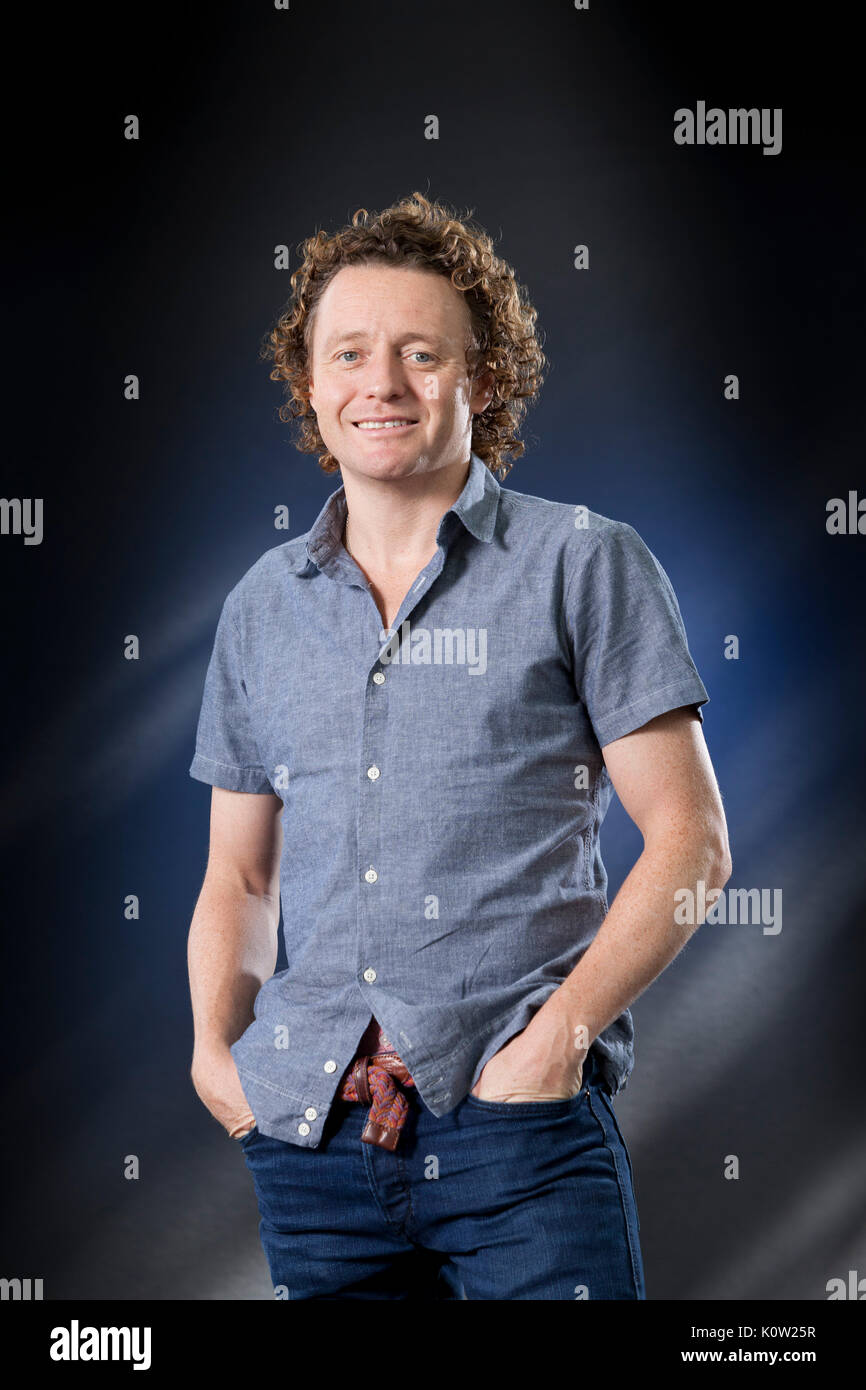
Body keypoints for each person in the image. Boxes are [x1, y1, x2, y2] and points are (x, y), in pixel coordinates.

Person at [187, 191, 731, 1300]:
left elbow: (690, 846)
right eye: (348, 353)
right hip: (310, 1150)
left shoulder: (582, 563)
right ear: (310, 384)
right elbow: (239, 875)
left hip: (519, 1138)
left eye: (419, 353)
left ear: (480, 378)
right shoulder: (259, 607)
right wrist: (215, 1052)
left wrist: (554, 1046)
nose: (379, 382)